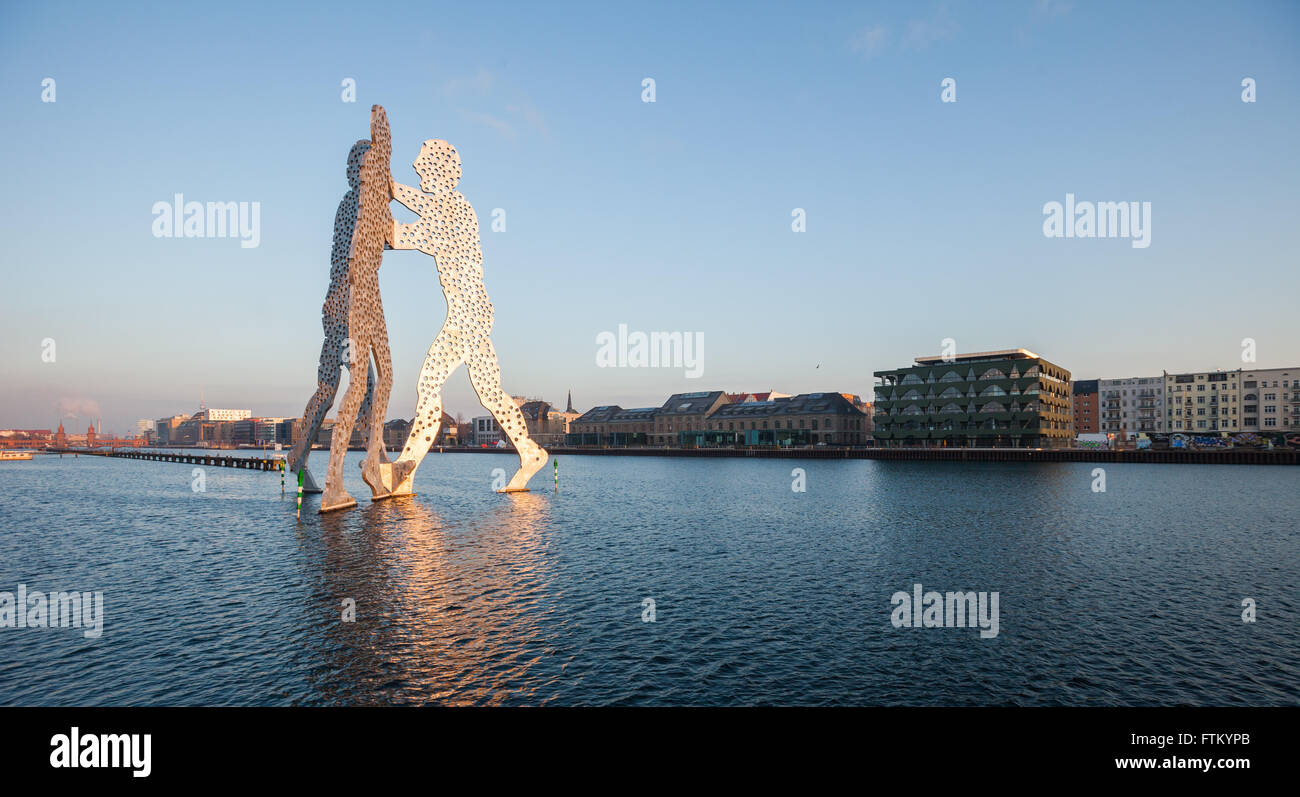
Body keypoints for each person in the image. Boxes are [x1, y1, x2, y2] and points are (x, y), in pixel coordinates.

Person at [386, 139, 546, 495]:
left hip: (466, 315)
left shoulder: (455, 211)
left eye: (423, 162)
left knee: (429, 384)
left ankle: (403, 470)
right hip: (474, 312)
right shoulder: (449, 205)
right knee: (490, 393)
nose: (416, 166)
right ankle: (530, 452)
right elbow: (424, 206)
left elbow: (408, 235)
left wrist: (382, 214)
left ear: (440, 168)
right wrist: (392, 189)